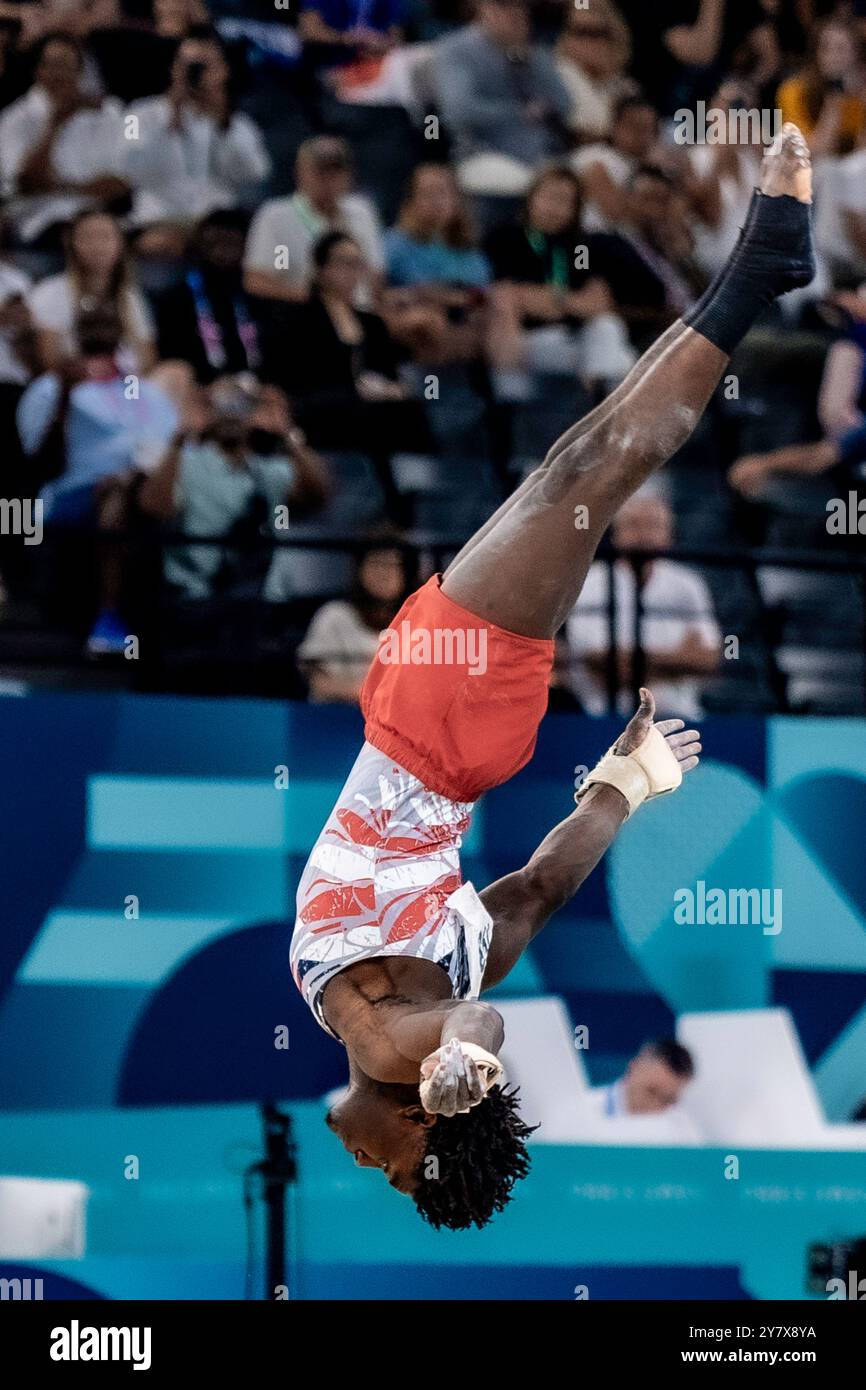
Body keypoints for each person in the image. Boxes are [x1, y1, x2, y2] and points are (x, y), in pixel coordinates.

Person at [290, 126, 815, 1229]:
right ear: (425, 1123)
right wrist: (457, 1070)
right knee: (592, 466)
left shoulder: (449, 980)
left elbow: (535, 888)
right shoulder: (393, 1037)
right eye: (395, 1170)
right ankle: (762, 264)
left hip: (441, 729)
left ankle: (755, 268)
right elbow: (464, 1035)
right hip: (437, 721)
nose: (366, 1163)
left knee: (579, 459)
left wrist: (621, 788)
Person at [16, 304, 179, 653]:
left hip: (141, 489)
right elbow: (41, 465)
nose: (100, 330)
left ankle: (182, 606)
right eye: (90, 323)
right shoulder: (50, 387)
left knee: (141, 489)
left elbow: (162, 445)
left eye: (108, 322)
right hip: (69, 496)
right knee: (116, 495)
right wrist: (64, 398)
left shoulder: (141, 390)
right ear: (75, 333)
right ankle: (108, 617)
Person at [271, 231, 432, 522]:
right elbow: (293, 376)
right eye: (343, 263)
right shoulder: (299, 318)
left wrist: (389, 389)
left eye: (357, 264)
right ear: (321, 270)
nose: (351, 272)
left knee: (408, 410)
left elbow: (390, 374)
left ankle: (411, 502)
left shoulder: (371, 323)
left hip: (368, 406)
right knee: (364, 411)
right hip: (319, 403)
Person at [138, 376, 330, 600]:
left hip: (264, 598)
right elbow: (153, 507)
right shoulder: (185, 463)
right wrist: (179, 437)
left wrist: (286, 433)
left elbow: (318, 495)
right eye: (222, 403)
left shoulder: (269, 467)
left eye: (242, 405)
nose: (231, 414)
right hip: (198, 597)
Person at [564, 491, 721, 719]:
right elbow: (596, 660)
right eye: (634, 525)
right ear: (616, 534)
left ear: (669, 535)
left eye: (653, 526)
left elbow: (707, 660)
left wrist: (632, 662)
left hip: (680, 716)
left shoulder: (688, 584)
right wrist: (675, 665)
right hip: (601, 716)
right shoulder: (589, 582)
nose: (643, 534)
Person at [484, 163, 637, 397]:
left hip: (573, 336)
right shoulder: (506, 237)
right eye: (549, 197)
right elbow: (508, 296)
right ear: (531, 198)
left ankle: (599, 399)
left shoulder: (578, 246)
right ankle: (601, 406)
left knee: (608, 328)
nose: (554, 208)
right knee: (624, 360)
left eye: (564, 201)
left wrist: (551, 300)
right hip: (528, 339)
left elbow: (599, 304)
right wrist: (570, 301)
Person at [125, 33, 271, 253]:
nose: (195, 74)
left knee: (237, 246)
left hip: (218, 223)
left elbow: (255, 173)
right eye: (188, 66)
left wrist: (223, 125)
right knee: (161, 244)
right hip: (159, 220)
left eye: (205, 66)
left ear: (223, 72)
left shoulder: (238, 123)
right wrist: (170, 120)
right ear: (175, 68)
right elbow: (129, 170)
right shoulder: (137, 114)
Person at [0, 31, 128, 247]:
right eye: (52, 65)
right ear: (38, 71)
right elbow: (27, 184)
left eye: (67, 65)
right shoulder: (14, 119)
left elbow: (124, 179)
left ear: (80, 71)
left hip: (102, 216)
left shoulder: (113, 111)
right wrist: (56, 124)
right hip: (39, 219)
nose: (60, 74)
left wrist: (63, 188)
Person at [433, 0, 571, 197]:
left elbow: (565, 104)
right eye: (503, 4)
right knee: (524, 185)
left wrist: (529, 58)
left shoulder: (533, 51)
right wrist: (518, 113)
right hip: (483, 151)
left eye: (519, 6)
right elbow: (457, 111)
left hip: (542, 153)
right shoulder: (455, 49)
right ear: (482, 7)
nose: (514, 12)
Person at [243, 136, 384, 307]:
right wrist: (320, 305)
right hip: (305, 317)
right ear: (299, 173)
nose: (328, 179)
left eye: (336, 171)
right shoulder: (277, 218)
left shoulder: (362, 212)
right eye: (320, 171)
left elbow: (375, 274)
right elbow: (260, 280)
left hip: (361, 316)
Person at [383, 163, 491, 365]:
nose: (436, 201)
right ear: (411, 201)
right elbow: (379, 295)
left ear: (456, 201)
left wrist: (450, 297)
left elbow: (484, 296)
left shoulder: (468, 250)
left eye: (442, 193)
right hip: (416, 323)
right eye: (427, 194)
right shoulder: (394, 244)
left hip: (466, 320)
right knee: (429, 318)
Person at [28, 208, 156, 373]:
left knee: (176, 373)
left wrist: (131, 390)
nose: (97, 246)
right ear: (71, 242)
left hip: (124, 383)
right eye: (87, 237)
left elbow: (147, 359)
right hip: (76, 381)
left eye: (105, 237)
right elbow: (48, 359)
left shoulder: (131, 296)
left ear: (121, 243)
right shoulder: (50, 291)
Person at [154, 208, 261, 383]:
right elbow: (172, 361)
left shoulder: (258, 296)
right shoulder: (175, 300)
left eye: (231, 244)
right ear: (199, 247)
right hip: (199, 392)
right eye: (213, 244)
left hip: (259, 390)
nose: (221, 253)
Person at [298, 542, 412, 704]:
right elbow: (319, 683)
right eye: (376, 563)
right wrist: (374, 696)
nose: (383, 573)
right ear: (360, 568)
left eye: (393, 565)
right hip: (337, 718)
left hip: (393, 724)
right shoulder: (334, 615)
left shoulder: (417, 625)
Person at [777, 16, 866, 159]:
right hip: (814, 171)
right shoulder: (793, 91)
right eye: (826, 48)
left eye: (841, 49)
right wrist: (834, 102)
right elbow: (808, 154)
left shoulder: (860, 94)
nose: (834, 57)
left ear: (856, 55)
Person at [571, 93, 660, 233]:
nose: (642, 136)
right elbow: (615, 212)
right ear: (615, 126)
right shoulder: (594, 157)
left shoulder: (646, 168)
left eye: (648, 129)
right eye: (635, 128)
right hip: (589, 236)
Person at [555, 0, 636, 143]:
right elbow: (588, 128)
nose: (590, 42)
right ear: (566, 36)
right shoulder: (558, 74)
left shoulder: (624, 86)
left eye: (599, 33)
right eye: (582, 32)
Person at [585, 1038, 696, 1118]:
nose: (655, 1107)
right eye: (651, 1092)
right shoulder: (583, 1113)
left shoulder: (680, 1127)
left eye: (667, 1100)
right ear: (633, 1068)